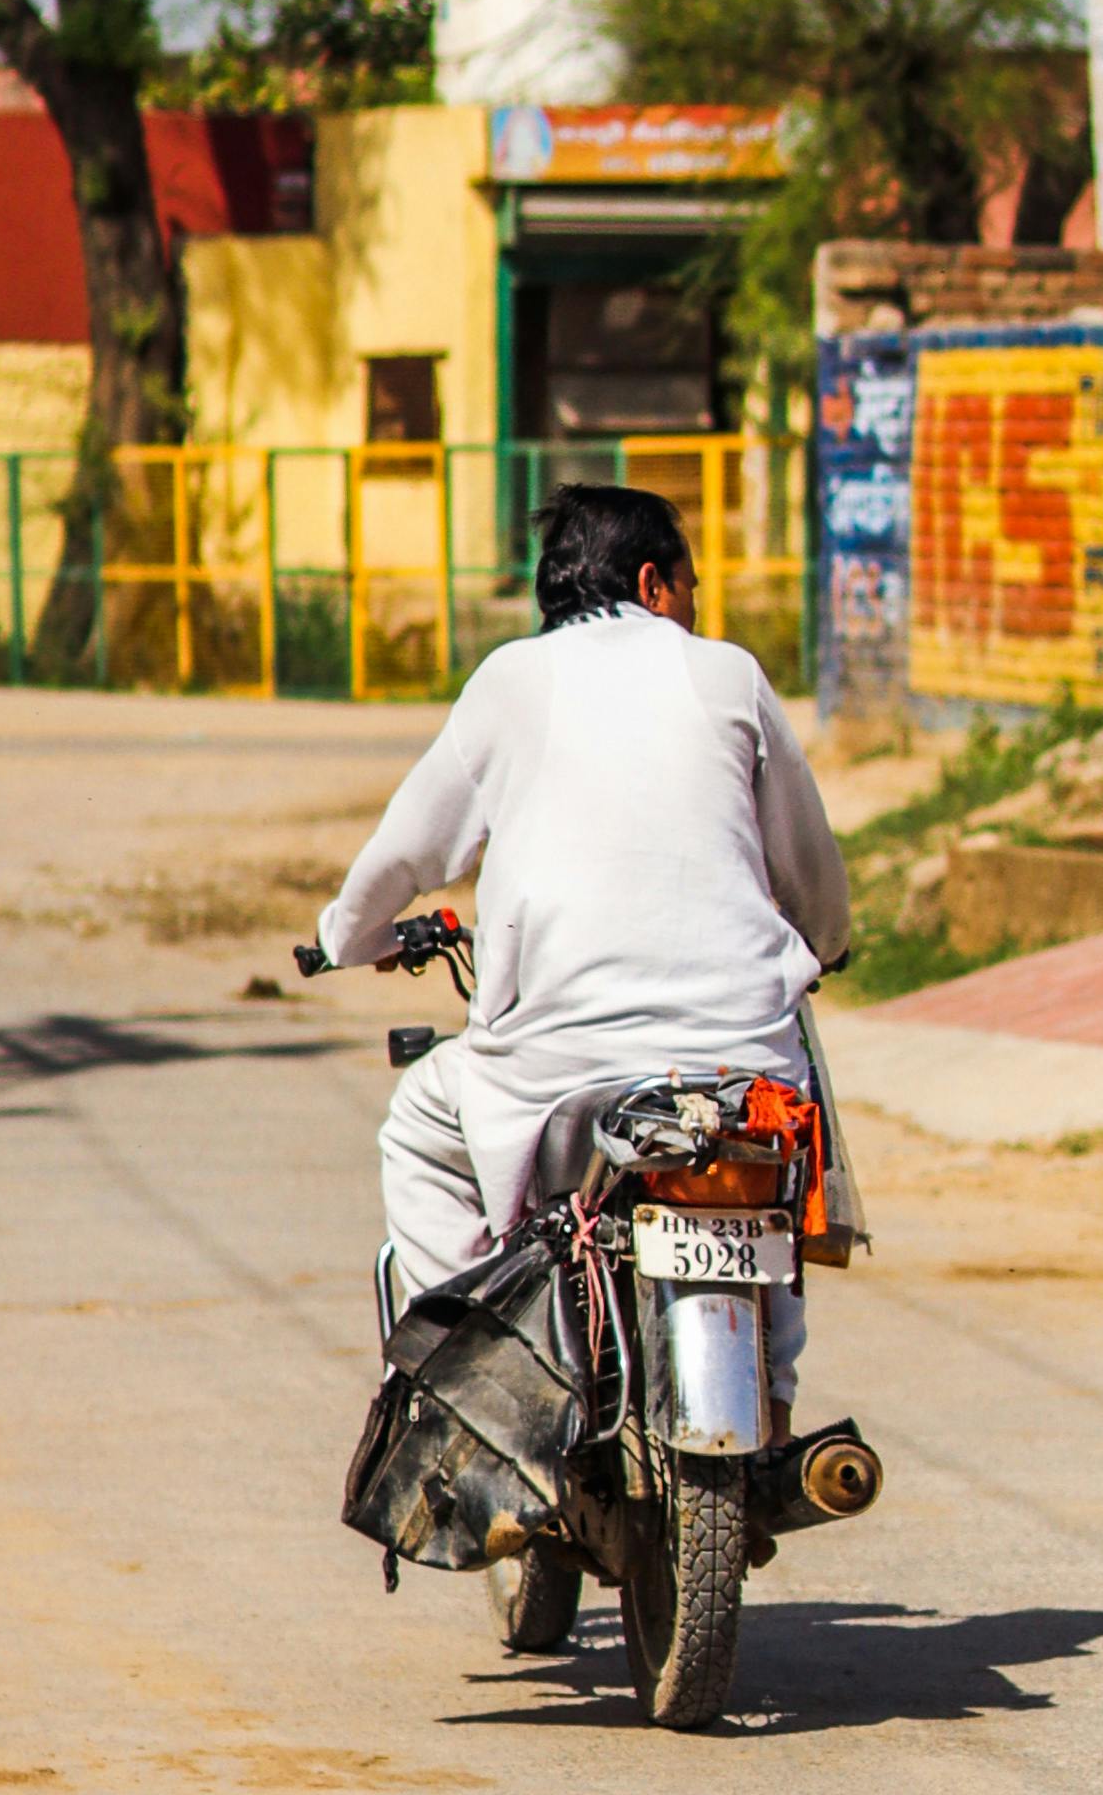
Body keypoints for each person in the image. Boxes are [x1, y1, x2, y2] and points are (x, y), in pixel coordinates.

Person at [315, 479, 850, 1334]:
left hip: (558, 1076)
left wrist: (348, 935)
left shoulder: (509, 680)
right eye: (690, 590)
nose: (693, 611)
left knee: (418, 1128)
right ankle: (774, 1398)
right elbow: (809, 864)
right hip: (738, 1065)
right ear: (651, 585)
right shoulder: (731, 676)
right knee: (775, 1183)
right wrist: (826, 942)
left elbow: (409, 849)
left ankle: (472, 1365)